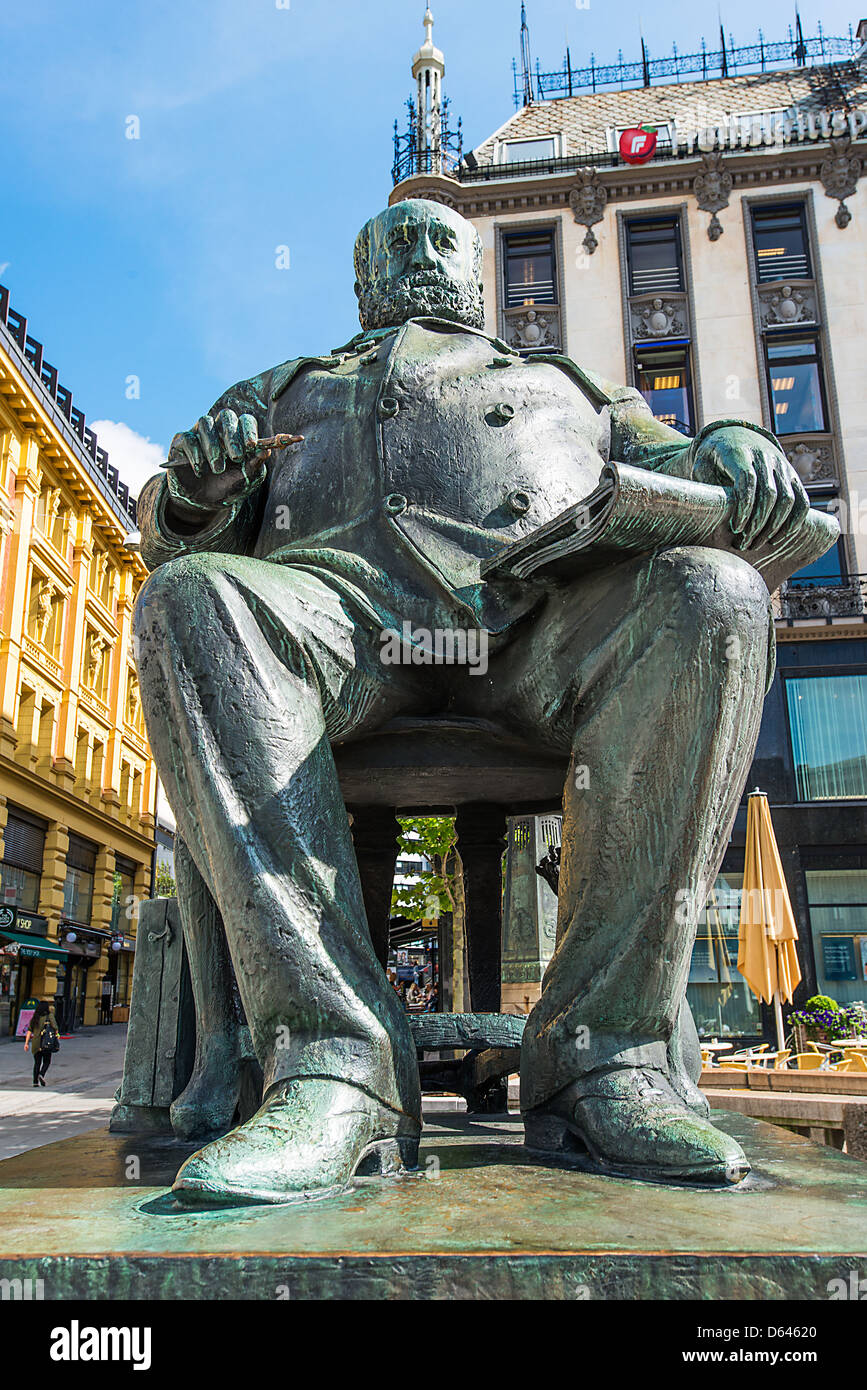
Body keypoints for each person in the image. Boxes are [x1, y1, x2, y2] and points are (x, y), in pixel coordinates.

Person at [134, 197, 814, 1204]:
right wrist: (188, 495)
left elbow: (683, 459)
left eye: (436, 238)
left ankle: (602, 1054)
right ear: (364, 284)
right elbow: (174, 527)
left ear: (478, 274)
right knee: (185, 597)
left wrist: (734, 439)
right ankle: (331, 1061)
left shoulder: (568, 384)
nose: (414, 249)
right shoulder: (284, 388)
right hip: (340, 620)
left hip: (533, 628)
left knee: (714, 592)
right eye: (391, 242)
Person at [24, 1000, 59, 1088]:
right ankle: (41, 1074)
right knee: (47, 1061)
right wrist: (57, 1034)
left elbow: (29, 1031)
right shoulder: (49, 1016)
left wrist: (26, 1043)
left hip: (36, 1043)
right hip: (46, 1042)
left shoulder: (35, 1017)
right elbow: (55, 1027)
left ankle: (35, 1082)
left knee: (37, 1063)